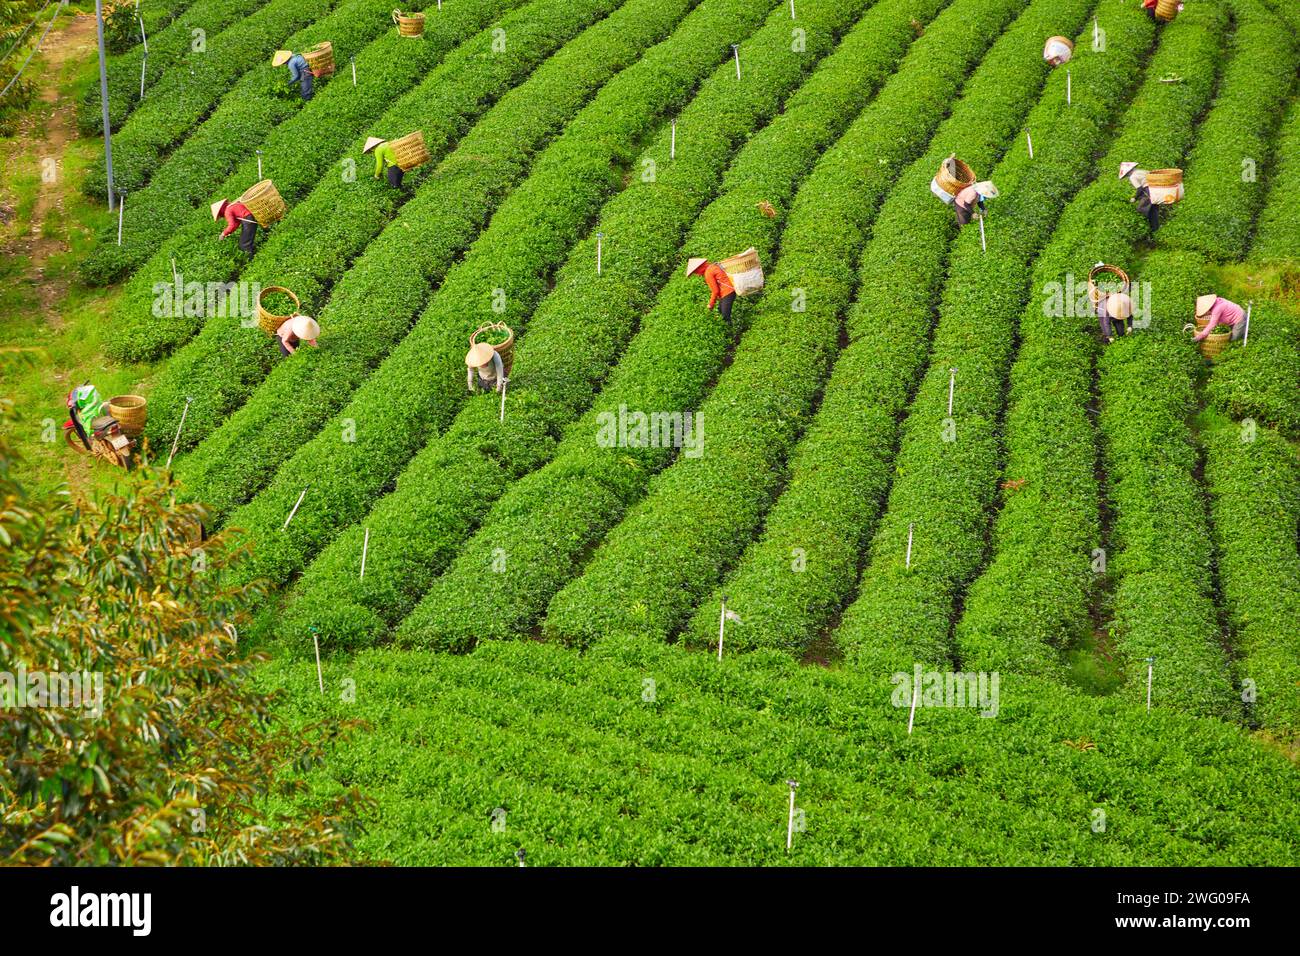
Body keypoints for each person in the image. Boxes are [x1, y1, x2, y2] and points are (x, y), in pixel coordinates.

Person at [685, 257, 737, 324]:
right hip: (729, 290)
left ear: (699, 268)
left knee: (725, 316)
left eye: (696, 272)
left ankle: (731, 332)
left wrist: (711, 304)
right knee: (720, 311)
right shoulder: (713, 266)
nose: (697, 274)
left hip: (728, 292)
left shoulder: (708, 273)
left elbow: (715, 291)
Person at [1119, 162, 1160, 233]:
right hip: (1156, 188)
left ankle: (1147, 227)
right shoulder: (1141, 171)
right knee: (1153, 210)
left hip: (1149, 191)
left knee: (1140, 209)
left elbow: (1139, 188)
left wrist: (1134, 198)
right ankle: (1155, 229)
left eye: (1126, 175)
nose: (1127, 176)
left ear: (1128, 172)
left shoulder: (1132, 177)